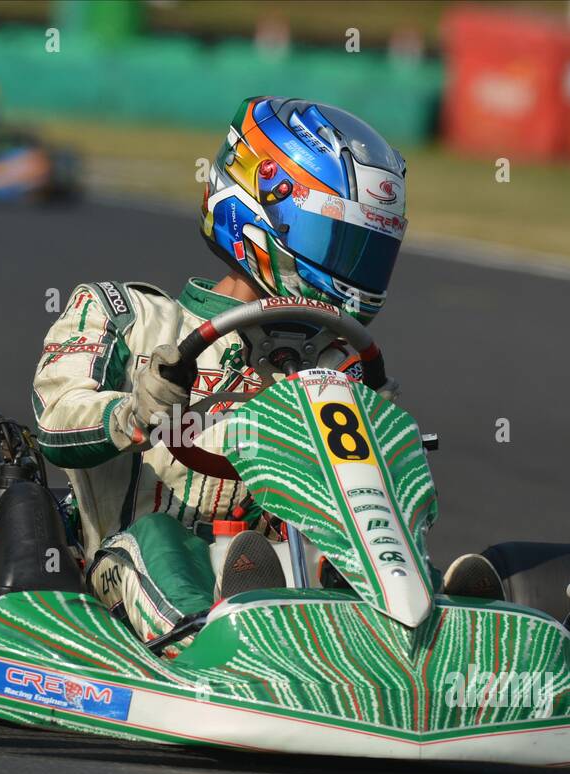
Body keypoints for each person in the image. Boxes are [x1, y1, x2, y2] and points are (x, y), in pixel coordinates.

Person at [32, 96, 408, 645]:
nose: (353, 273)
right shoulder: (126, 315)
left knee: (339, 548)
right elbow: (55, 421)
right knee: (159, 538)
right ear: (261, 206)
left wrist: (384, 442)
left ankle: (424, 625)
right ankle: (205, 643)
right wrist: (134, 413)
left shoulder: (337, 362)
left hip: (276, 568)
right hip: (122, 563)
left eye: (368, 254)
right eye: (339, 244)